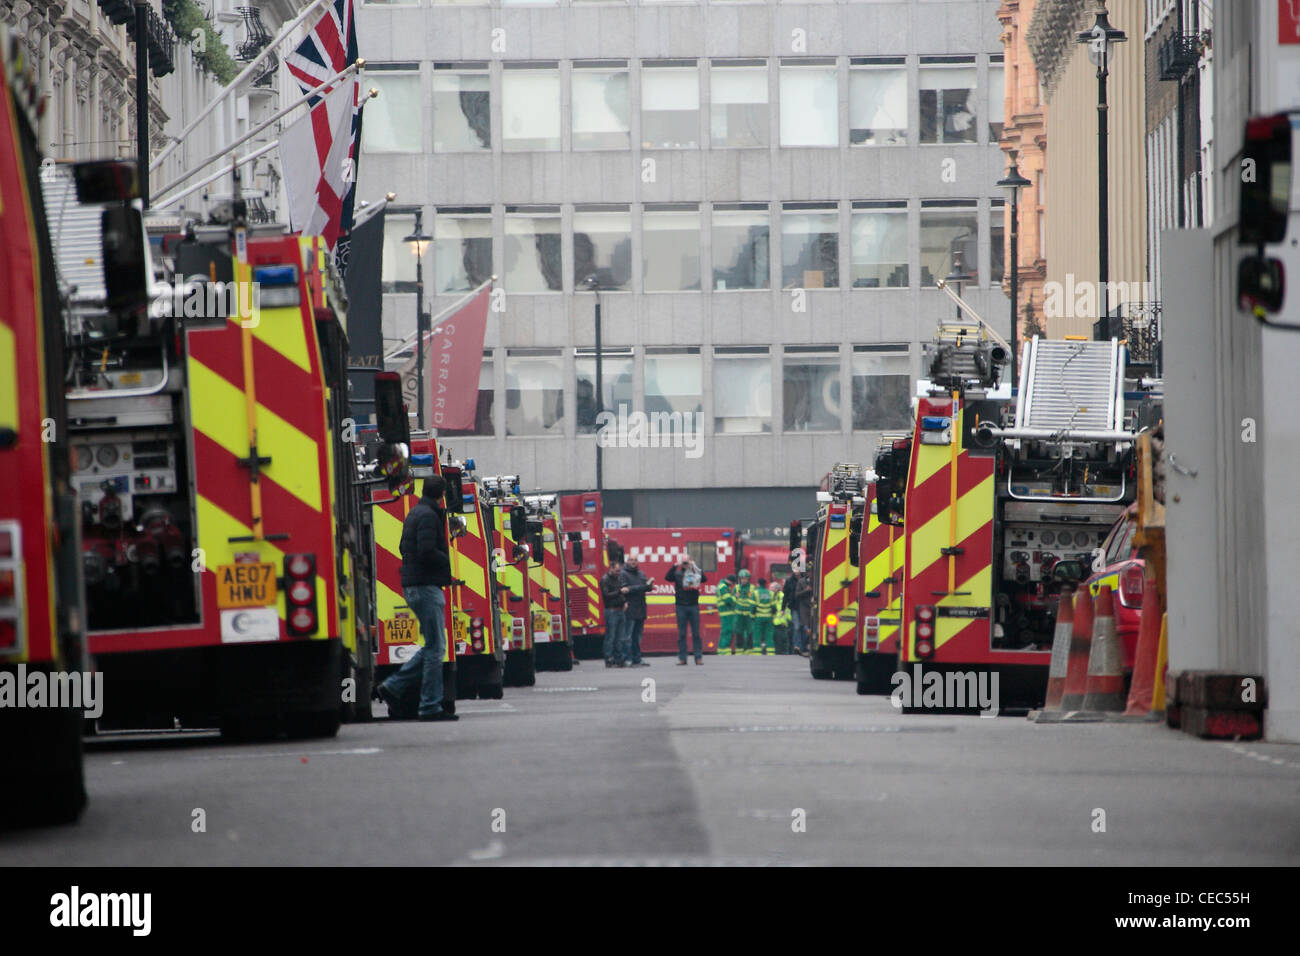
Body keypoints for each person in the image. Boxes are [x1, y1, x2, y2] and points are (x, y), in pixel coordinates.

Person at [376, 476, 458, 721]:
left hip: (415, 586)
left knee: (433, 646)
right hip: (426, 587)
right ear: (441, 494)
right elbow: (426, 550)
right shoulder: (429, 516)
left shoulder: (415, 513)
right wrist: (445, 561)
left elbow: (403, 547)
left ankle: (393, 686)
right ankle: (430, 706)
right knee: (436, 649)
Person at [666, 556, 708, 665]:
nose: (685, 564)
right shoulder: (677, 573)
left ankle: (698, 657)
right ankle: (682, 658)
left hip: (693, 606)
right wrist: (675, 565)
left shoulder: (695, 572)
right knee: (682, 634)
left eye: (686, 562)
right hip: (681, 606)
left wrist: (694, 565)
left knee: (696, 634)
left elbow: (704, 579)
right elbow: (667, 577)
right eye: (683, 562)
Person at [619, 555, 654, 666]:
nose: (633, 562)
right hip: (630, 609)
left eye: (635, 560)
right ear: (627, 561)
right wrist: (641, 586)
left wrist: (649, 585)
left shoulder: (641, 573)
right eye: (631, 560)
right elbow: (624, 590)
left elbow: (645, 587)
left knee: (637, 636)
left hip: (641, 608)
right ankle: (627, 659)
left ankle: (637, 659)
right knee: (627, 636)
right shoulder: (623, 574)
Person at [601, 559, 628, 667]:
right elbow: (606, 595)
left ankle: (618, 658)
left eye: (619, 571)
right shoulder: (605, 579)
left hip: (620, 610)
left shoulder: (618, 578)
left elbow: (620, 593)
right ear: (611, 568)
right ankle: (608, 658)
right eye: (616, 570)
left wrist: (625, 602)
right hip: (611, 611)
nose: (618, 572)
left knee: (620, 637)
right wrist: (620, 592)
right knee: (611, 636)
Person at [733, 570, 755, 653]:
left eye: (745, 578)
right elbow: (732, 599)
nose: (743, 580)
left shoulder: (752, 588)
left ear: (748, 579)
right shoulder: (736, 588)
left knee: (750, 631)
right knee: (738, 631)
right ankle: (739, 649)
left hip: (749, 614)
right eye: (742, 579)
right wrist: (735, 596)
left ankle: (749, 649)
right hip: (739, 614)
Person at [752, 577, 775, 655]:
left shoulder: (755, 593)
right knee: (769, 635)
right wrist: (773, 615)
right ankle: (771, 652)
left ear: (758, 584)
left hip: (758, 617)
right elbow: (773, 607)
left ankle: (757, 652)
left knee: (757, 635)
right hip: (768, 617)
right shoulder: (771, 593)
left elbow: (753, 607)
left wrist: (752, 616)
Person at [716, 574, 738, 654]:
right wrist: (735, 597)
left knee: (726, 631)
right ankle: (724, 649)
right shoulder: (723, 587)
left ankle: (722, 649)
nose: (732, 585)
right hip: (726, 613)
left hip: (726, 613)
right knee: (727, 631)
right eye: (732, 583)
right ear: (730, 581)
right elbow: (728, 600)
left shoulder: (723, 586)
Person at [795, 570, 814, 656]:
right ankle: (803, 647)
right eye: (808, 572)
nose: (809, 574)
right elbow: (797, 594)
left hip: (813, 606)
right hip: (804, 607)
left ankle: (808, 646)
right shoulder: (801, 581)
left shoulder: (816, 580)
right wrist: (806, 590)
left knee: (812, 627)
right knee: (805, 627)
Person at [782, 572, 801, 652]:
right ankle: (796, 647)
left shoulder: (805, 579)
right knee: (796, 627)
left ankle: (802, 646)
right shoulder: (789, 581)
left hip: (805, 607)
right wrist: (782, 608)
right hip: (794, 607)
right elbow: (785, 595)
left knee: (803, 627)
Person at [772, 580, 792, 655]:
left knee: (782, 639)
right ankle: (779, 652)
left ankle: (784, 652)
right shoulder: (773, 596)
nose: (770, 590)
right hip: (775, 622)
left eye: (772, 588)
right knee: (777, 640)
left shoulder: (781, 596)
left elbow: (783, 609)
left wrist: (784, 621)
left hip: (782, 622)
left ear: (776, 589)